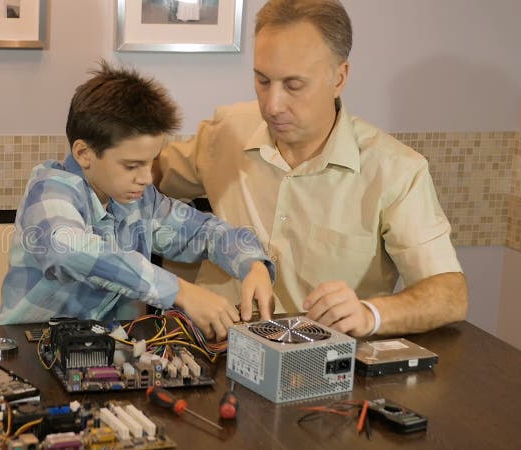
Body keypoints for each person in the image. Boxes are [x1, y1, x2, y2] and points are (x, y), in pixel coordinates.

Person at [157, 0, 467, 337]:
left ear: (339, 78)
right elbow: (140, 180)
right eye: (263, 81)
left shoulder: (397, 171)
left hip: (320, 364)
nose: (272, 106)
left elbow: (450, 295)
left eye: (293, 86)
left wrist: (370, 314)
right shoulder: (226, 132)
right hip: (212, 349)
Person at [0, 61, 275, 340]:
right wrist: (181, 291)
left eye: (150, 162)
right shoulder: (49, 189)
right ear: (83, 153)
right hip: (30, 348)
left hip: (107, 351)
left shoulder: (140, 200)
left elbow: (204, 232)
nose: (146, 178)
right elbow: (68, 251)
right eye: (131, 165)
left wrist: (253, 264)